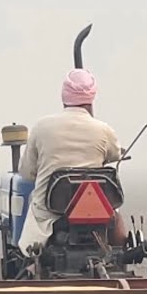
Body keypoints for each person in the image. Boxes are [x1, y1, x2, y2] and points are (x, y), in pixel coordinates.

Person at [17, 69, 127, 251]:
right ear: (92, 99)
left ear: (64, 97)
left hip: (51, 212)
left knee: (34, 215)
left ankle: (29, 258)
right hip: (94, 208)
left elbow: (27, 173)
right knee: (114, 213)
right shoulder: (103, 130)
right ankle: (121, 249)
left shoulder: (42, 127)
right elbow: (115, 154)